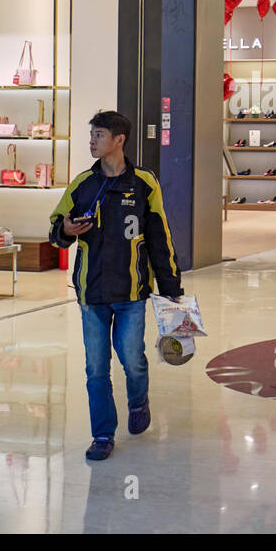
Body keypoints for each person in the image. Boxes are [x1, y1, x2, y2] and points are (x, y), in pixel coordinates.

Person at [49, 111, 183, 461]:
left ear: (119, 140)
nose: (91, 141)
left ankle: (138, 401)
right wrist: (66, 231)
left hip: (131, 293)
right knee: (96, 368)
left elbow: (159, 236)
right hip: (91, 294)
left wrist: (171, 285)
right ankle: (102, 434)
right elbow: (56, 230)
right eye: (90, 134)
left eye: (98, 135)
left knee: (133, 360)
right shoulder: (81, 185)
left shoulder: (143, 183)